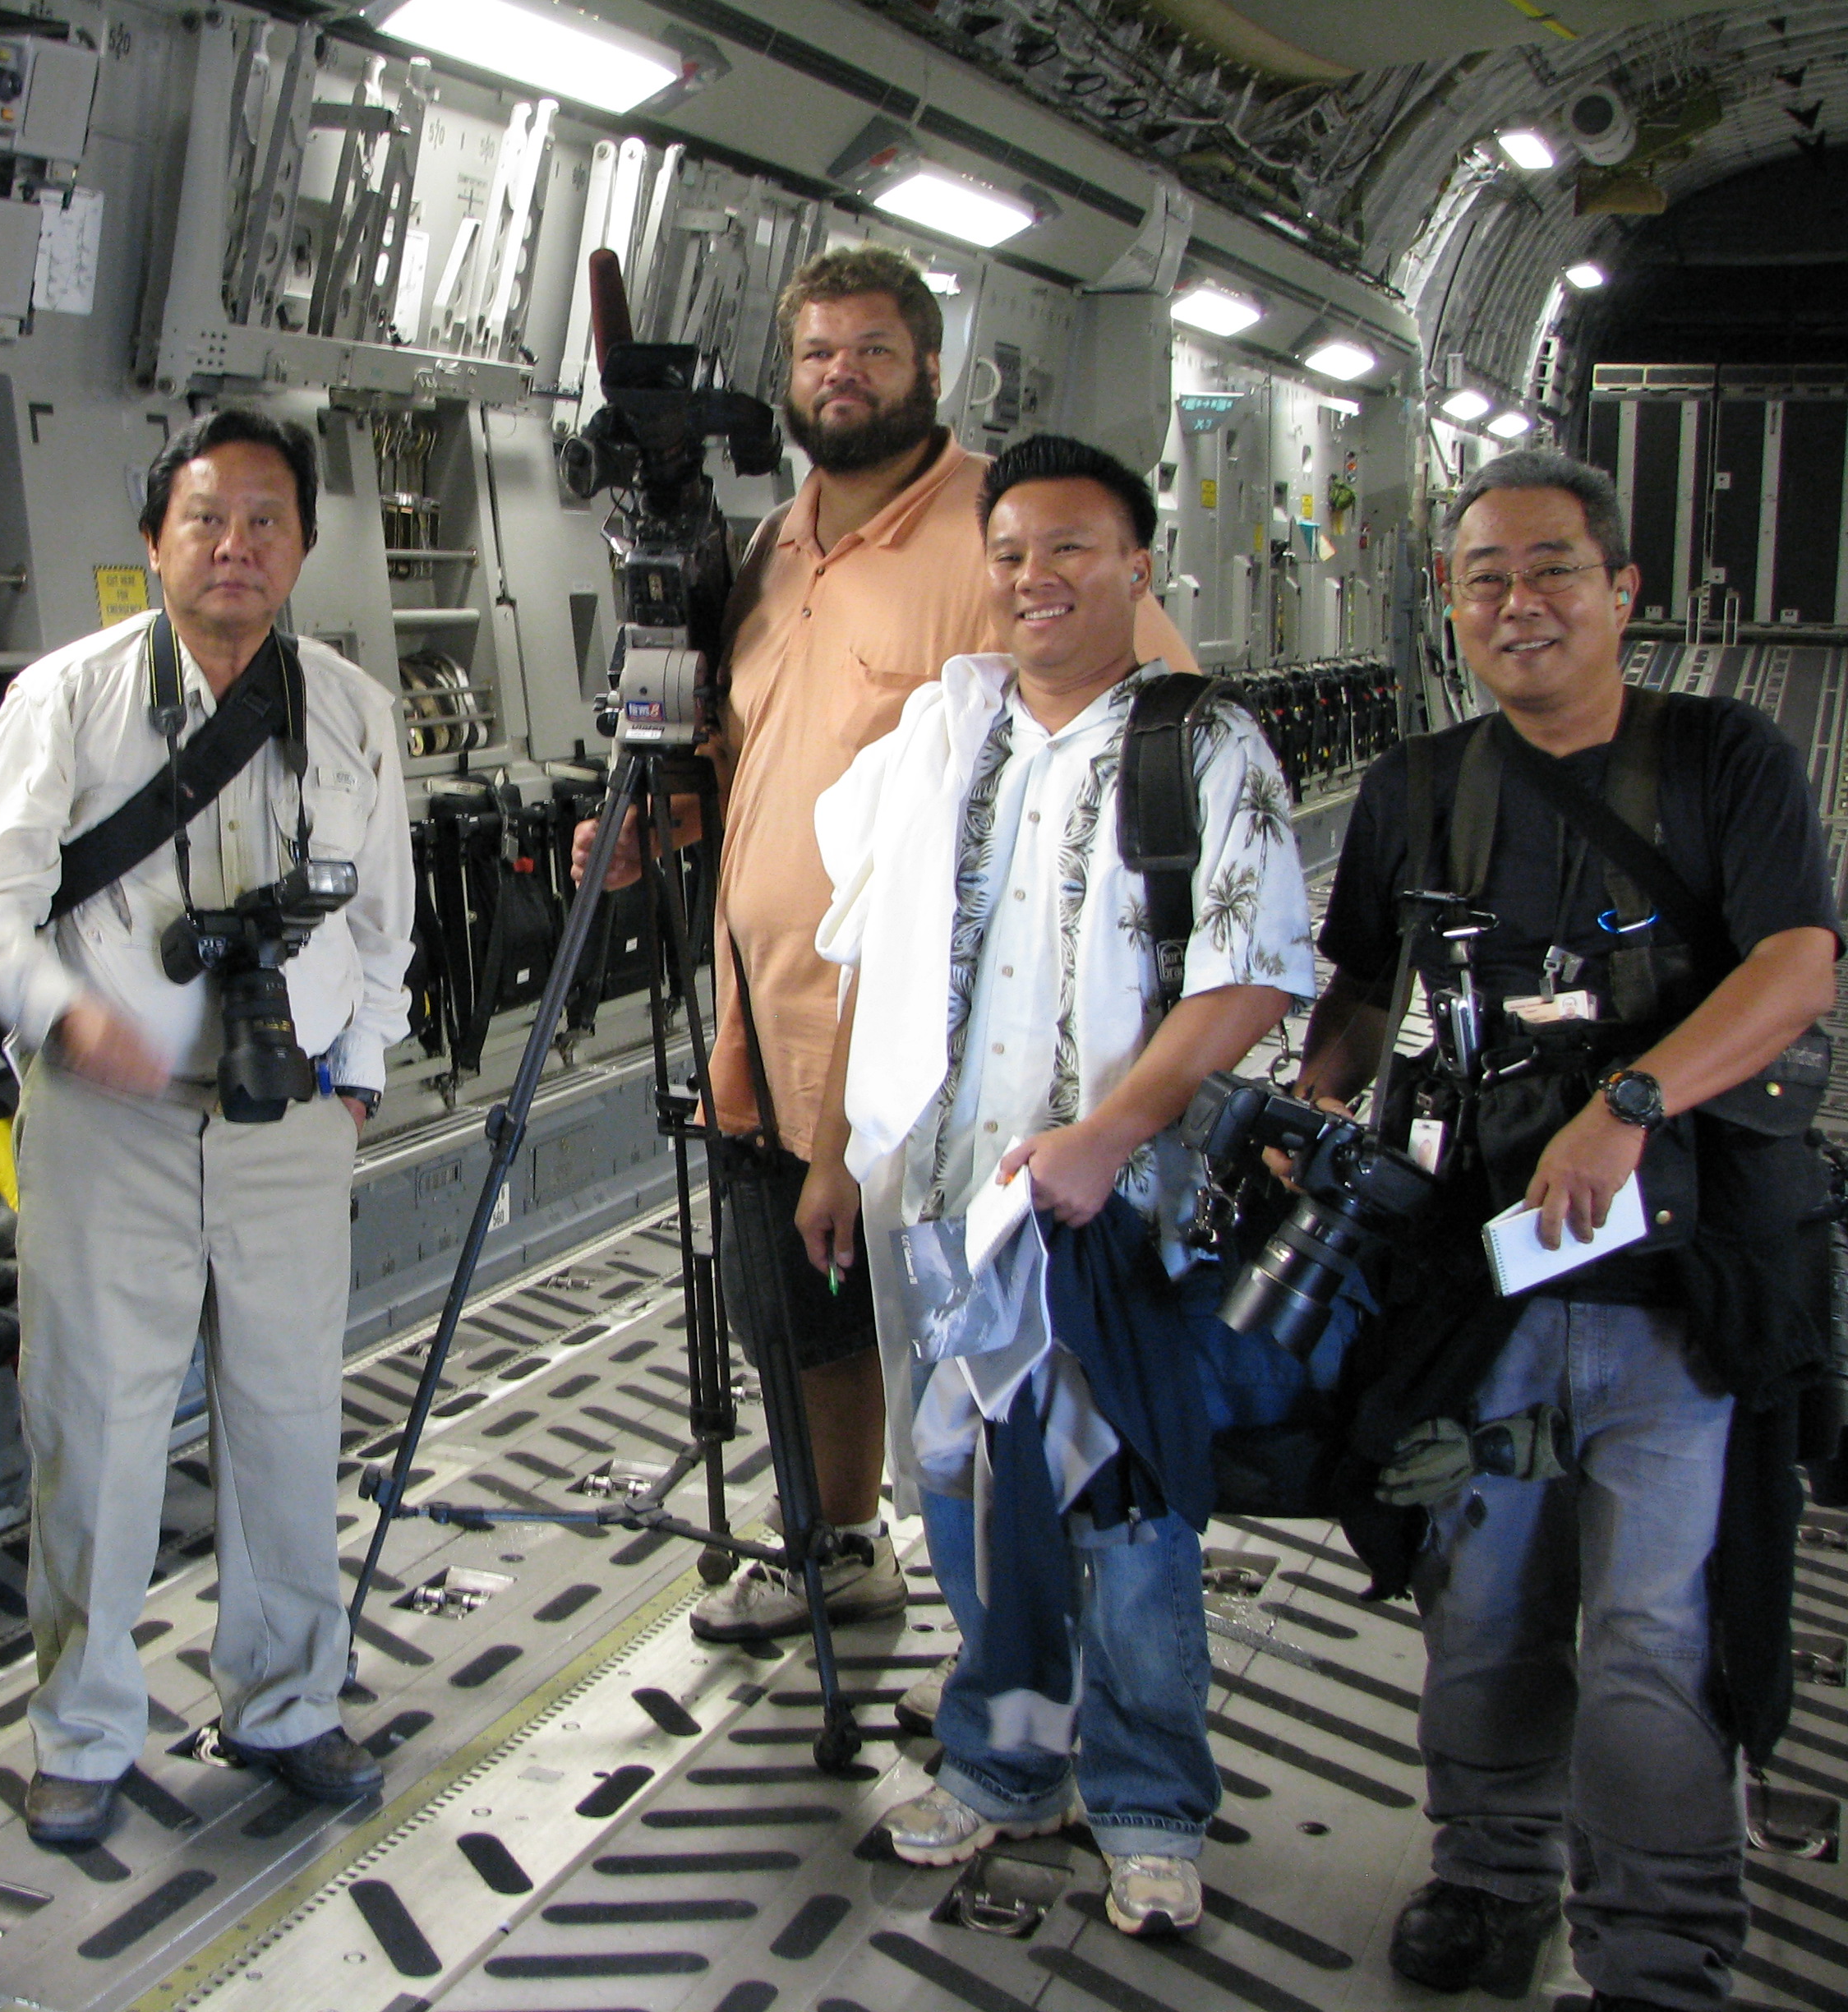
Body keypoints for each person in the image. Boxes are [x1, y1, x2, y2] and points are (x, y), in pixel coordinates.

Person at [584, 248, 1196, 1714]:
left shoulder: (1003, 533)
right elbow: (755, 756)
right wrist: (669, 815)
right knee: (798, 1312)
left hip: (936, 1045)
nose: (839, 375)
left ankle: (1024, 1658)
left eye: (870, 348)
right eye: (814, 355)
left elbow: (1147, 717)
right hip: (766, 1018)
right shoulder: (775, 550)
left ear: (929, 367)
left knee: (984, 1345)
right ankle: (836, 1547)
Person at [1295, 448, 1837, 2010]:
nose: (1518, 601)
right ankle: (1488, 1876)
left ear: (1622, 593)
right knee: (1485, 1600)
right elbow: (1356, 998)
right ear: (1452, 607)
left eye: (1550, 569)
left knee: (1660, 1628)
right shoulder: (1416, 789)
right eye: (1484, 578)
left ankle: (1658, 1947)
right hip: (1480, 1290)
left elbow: (1798, 968)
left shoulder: (1726, 761)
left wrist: (1632, 1106)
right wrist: (1313, 1110)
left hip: (1681, 1288)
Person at [800, 434, 1311, 1936]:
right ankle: (1014, 1764)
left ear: (1138, 568)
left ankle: (1147, 1799)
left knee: (1122, 1508)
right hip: (959, 1207)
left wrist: (1108, 1134)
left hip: (1116, 1219)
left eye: (1073, 549)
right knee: (962, 1498)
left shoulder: (1204, 744)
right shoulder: (945, 749)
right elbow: (865, 963)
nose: (1037, 578)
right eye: (1012, 551)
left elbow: (1250, 980)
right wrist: (837, 1150)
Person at [0, 408, 412, 1849]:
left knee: (286, 1422)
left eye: (266, 521)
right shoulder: (64, 701)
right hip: (107, 1122)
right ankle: (82, 1730)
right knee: (99, 1430)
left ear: (304, 548)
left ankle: (286, 1702)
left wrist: (361, 1067)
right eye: (205, 520)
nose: (235, 548)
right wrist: (70, 1017)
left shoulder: (350, 708)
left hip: (290, 1116)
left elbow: (381, 917)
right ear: (153, 542)